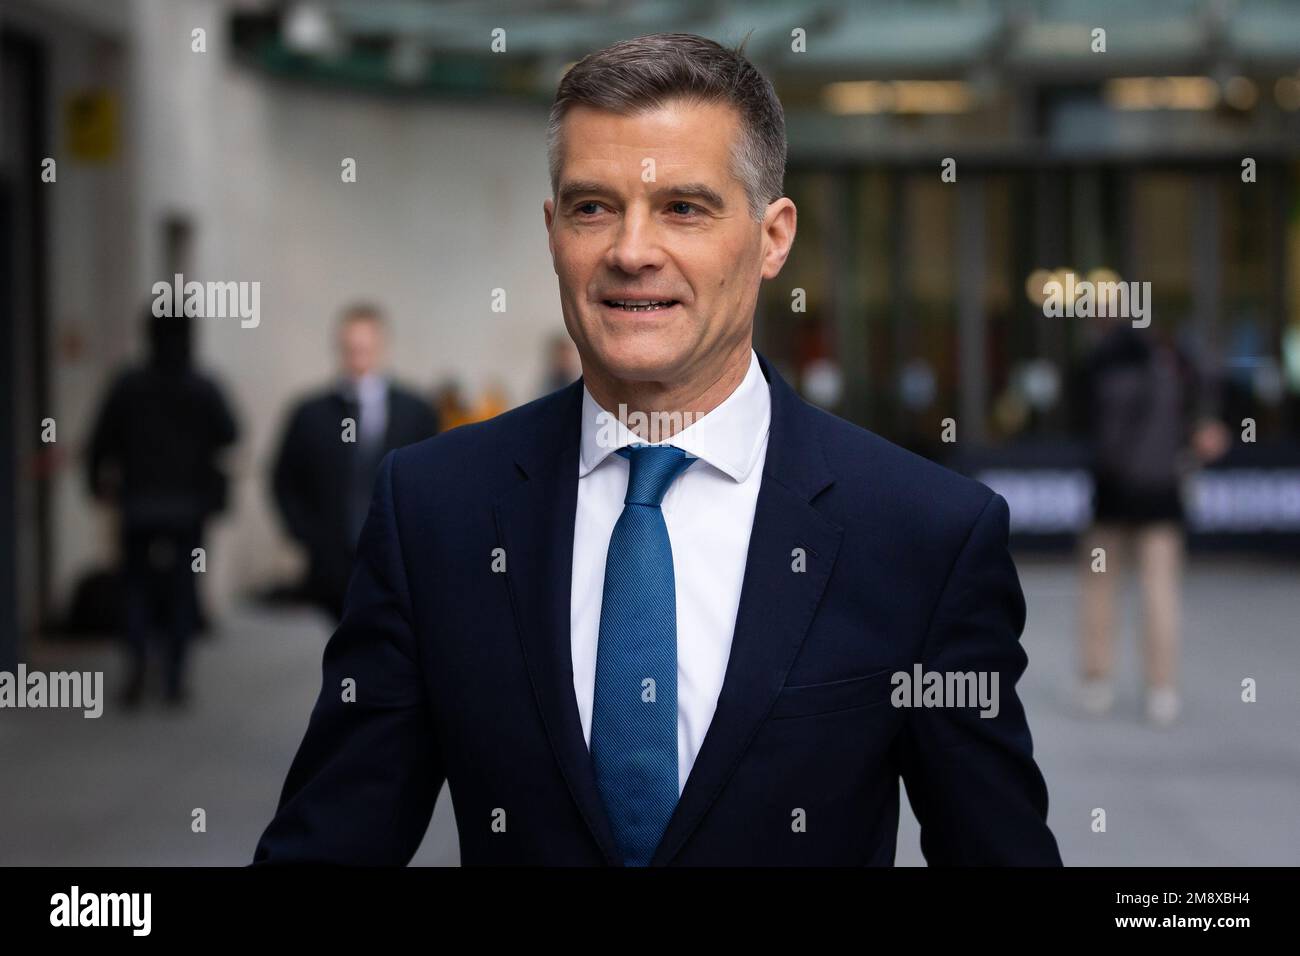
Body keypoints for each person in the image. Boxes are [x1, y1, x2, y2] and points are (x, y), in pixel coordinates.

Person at [255, 34, 1061, 866]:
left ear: (773, 236)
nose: (631, 252)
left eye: (683, 207)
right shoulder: (435, 510)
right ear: (552, 230)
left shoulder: (924, 532)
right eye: (592, 207)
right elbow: (331, 840)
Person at [1072, 321, 1227, 725]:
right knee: (1160, 592)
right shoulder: (1173, 366)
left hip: (1111, 495)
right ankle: (1161, 689)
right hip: (1162, 495)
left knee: (1100, 589)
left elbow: (1083, 424)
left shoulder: (1101, 365)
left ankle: (1097, 680)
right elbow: (1204, 425)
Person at [87, 307, 239, 707]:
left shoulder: (130, 384)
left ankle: (138, 667)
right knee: (183, 590)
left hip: (139, 506)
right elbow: (230, 433)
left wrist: (96, 485)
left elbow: (100, 440)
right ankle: (173, 678)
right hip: (188, 507)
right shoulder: (202, 386)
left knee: (135, 588)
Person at [270, 304, 439, 621]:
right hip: (333, 563)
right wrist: (308, 537)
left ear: (381, 348)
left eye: (366, 349)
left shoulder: (415, 411)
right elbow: (284, 480)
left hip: (395, 557)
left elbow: (434, 481)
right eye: (350, 349)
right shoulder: (310, 414)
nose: (358, 359)